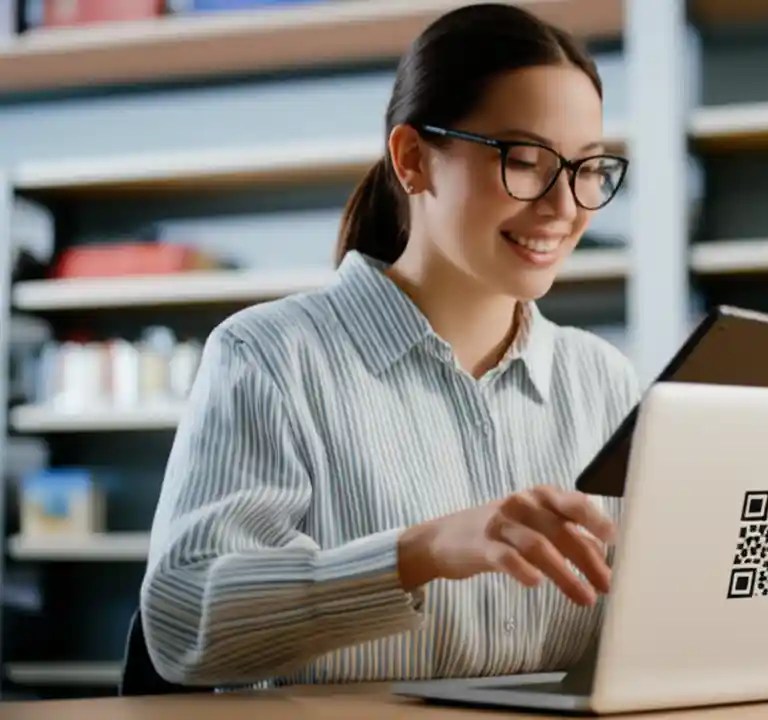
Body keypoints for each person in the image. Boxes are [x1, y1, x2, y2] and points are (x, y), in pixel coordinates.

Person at [140, 3, 637, 688]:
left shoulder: (603, 379)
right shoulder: (269, 358)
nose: (565, 207)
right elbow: (183, 624)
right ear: (412, 160)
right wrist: (419, 553)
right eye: (525, 161)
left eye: (588, 169)